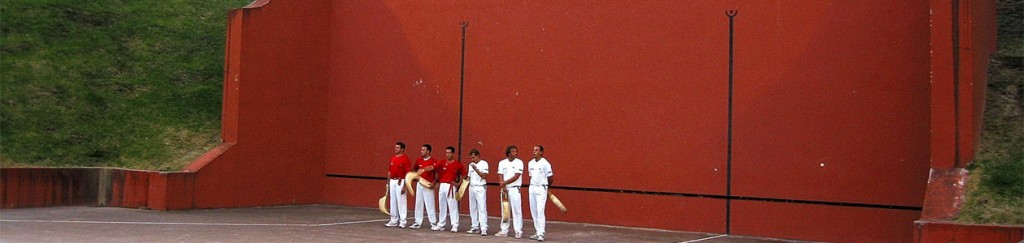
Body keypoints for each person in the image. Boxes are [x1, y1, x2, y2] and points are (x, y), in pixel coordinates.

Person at [496, 145, 524, 238]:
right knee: (505, 210)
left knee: (517, 210)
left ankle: (518, 231)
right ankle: (504, 230)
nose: (515, 153)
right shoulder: (502, 162)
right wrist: (502, 184)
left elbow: (517, 176)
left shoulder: (519, 162)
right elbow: (500, 174)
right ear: (508, 153)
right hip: (504, 190)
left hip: (515, 189)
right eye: (513, 151)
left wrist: (505, 183)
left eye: (516, 151)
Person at [527, 145, 553, 242]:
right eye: (533, 150)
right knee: (533, 211)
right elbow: (531, 175)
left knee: (540, 210)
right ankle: (537, 232)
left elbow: (551, 177)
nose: (534, 152)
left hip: (542, 188)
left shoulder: (545, 163)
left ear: (541, 152)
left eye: (536, 150)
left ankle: (541, 233)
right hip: (532, 188)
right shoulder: (530, 163)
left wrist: (546, 187)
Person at [436, 146, 464, 232]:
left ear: (453, 154)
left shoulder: (458, 164)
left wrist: (458, 183)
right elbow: (434, 168)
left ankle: (455, 225)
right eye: (446, 153)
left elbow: (465, 175)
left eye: (449, 153)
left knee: (453, 206)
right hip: (442, 185)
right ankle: (441, 224)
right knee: (442, 205)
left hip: (451, 186)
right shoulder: (442, 163)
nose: (447, 154)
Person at [411, 144, 439, 230]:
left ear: (428, 151)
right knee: (418, 203)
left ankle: (433, 222)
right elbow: (414, 170)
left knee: (430, 203)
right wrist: (415, 175)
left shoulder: (433, 161)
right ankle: (417, 222)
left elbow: (438, 173)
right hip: (420, 184)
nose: (421, 151)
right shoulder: (418, 160)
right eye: (421, 149)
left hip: (428, 185)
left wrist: (434, 183)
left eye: (423, 150)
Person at [385, 142, 411, 228]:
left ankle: (403, 221)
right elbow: (389, 171)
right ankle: (393, 220)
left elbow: (408, 174)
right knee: (393, 201)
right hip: (392, 181)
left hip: (401, 181)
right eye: (395, 147)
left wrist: (405, 186)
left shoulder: (405, 159)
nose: (395, 149)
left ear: (402, 149)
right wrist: (387, 183)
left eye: (397, 148)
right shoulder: (393, 158)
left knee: (401, 202)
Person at [464, 149, 489, 236]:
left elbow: (484, 176)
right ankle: (474, 227)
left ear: (478, 156)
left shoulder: (484, 163)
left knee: (482, 208)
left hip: (480, 188)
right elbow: (468, 177)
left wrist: (476, 169)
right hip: (472, 187)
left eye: (473, 157)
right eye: (471, 158)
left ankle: (484, 228)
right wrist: (462, 188)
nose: (472, 159)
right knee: (473, 208)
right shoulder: (470, 165)